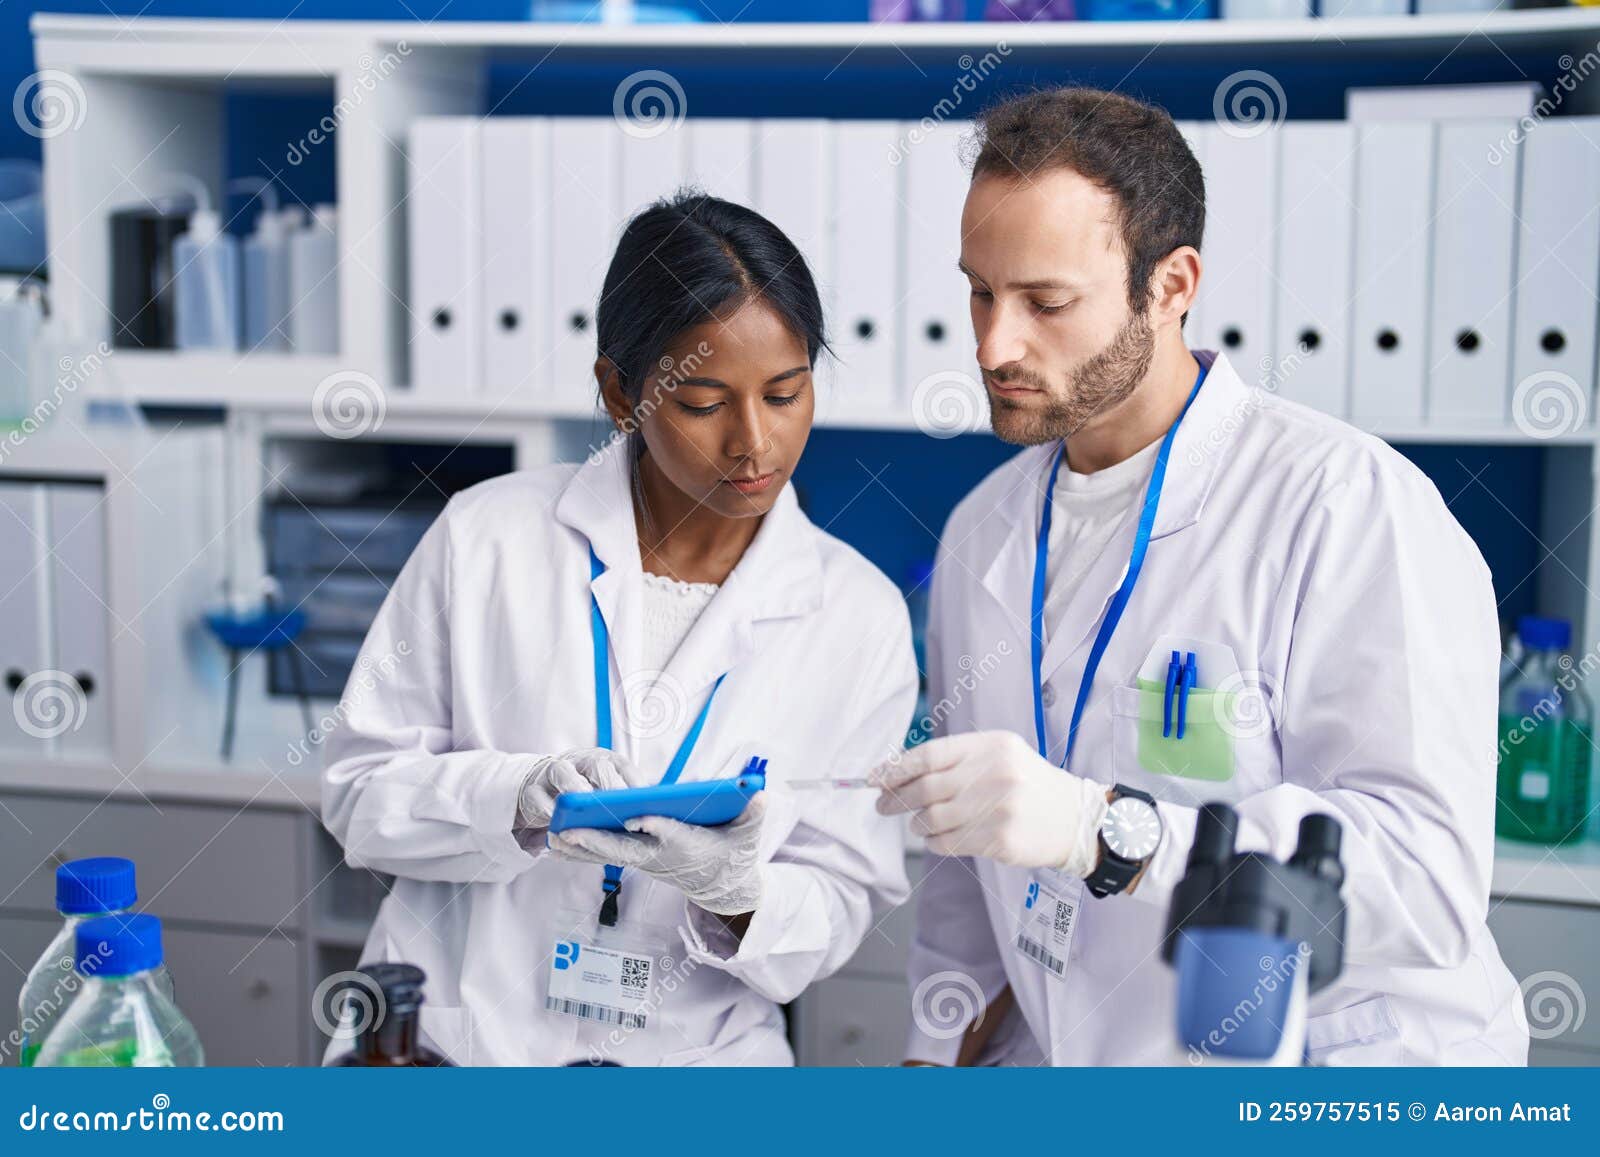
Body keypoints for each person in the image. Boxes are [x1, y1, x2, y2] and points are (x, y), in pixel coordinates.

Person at [875, 87, 1528, 1066]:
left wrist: (1111, 834)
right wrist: (933, 1058)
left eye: (1045, 302)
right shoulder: (983, 532)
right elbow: (973, 877)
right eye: (979, 290)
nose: (992, 345)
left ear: (1171, 283)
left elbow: (1425, 879)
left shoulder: (1346, 505)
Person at [322, 191, 916, 1066]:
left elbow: (840, 902)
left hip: (695, 1062)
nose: (755, 442)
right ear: (619, 392)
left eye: (785, 393)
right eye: (705, 403)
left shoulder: (857, 615)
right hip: (454, 1044)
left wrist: (738, 891)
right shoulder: (488, 537)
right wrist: (510, 799)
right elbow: (359, 794)